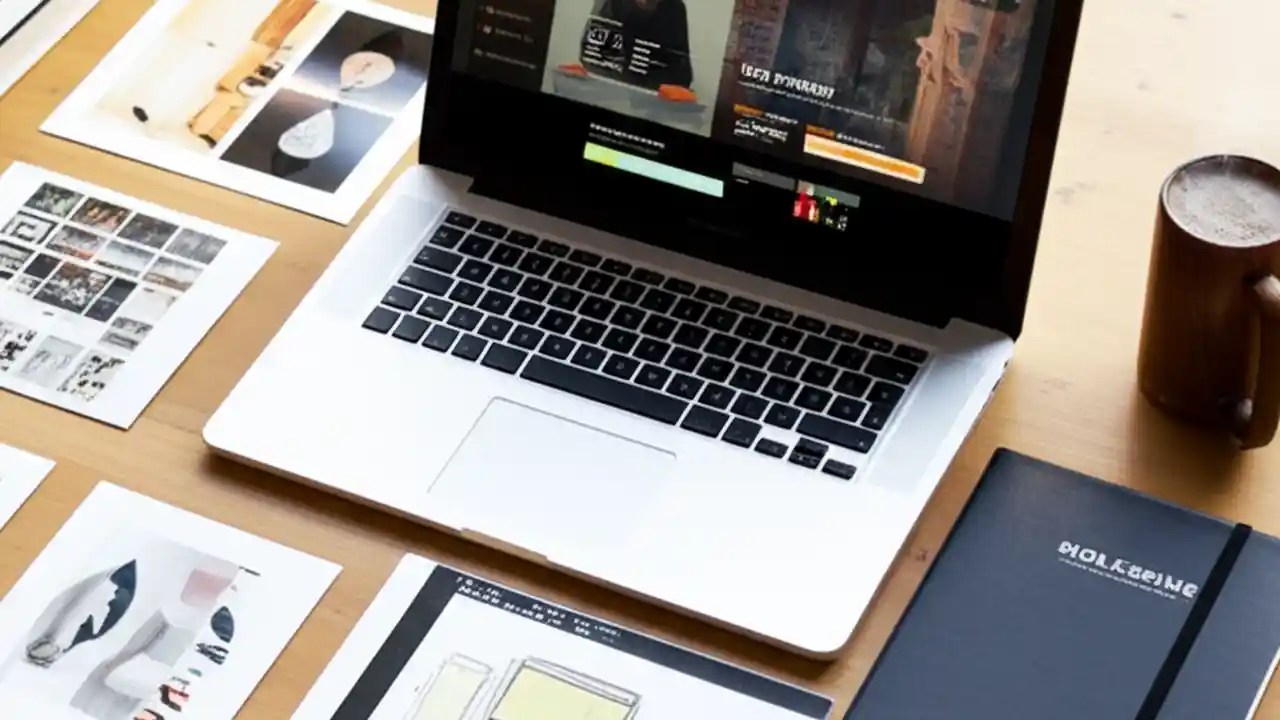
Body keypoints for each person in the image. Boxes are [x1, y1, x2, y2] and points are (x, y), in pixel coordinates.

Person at [584, 0, 694, 90]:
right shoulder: (611, 4)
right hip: (610, 94)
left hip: (654, 103)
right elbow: (593, 61)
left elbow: (683, 78)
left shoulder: (674, 8)